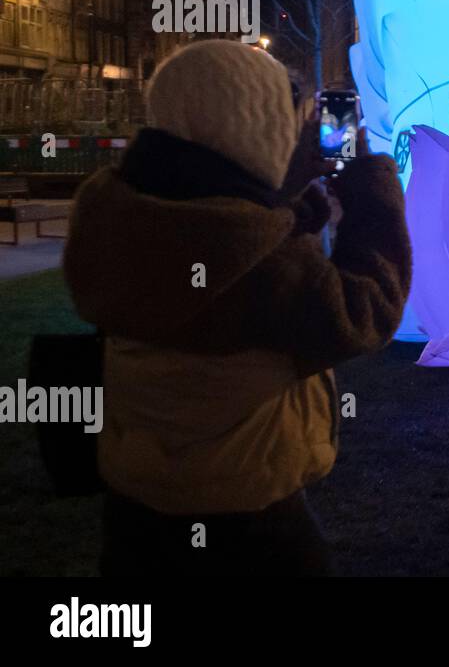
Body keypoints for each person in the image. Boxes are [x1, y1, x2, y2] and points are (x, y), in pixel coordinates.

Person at [63, 40, 412, 575]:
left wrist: (281, 188)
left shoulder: (122, 215)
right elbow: (367, 310)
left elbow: (230, 233)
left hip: (136, 509)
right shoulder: (263, 266)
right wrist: (367, 183)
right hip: (247, 521)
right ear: (254, 123)